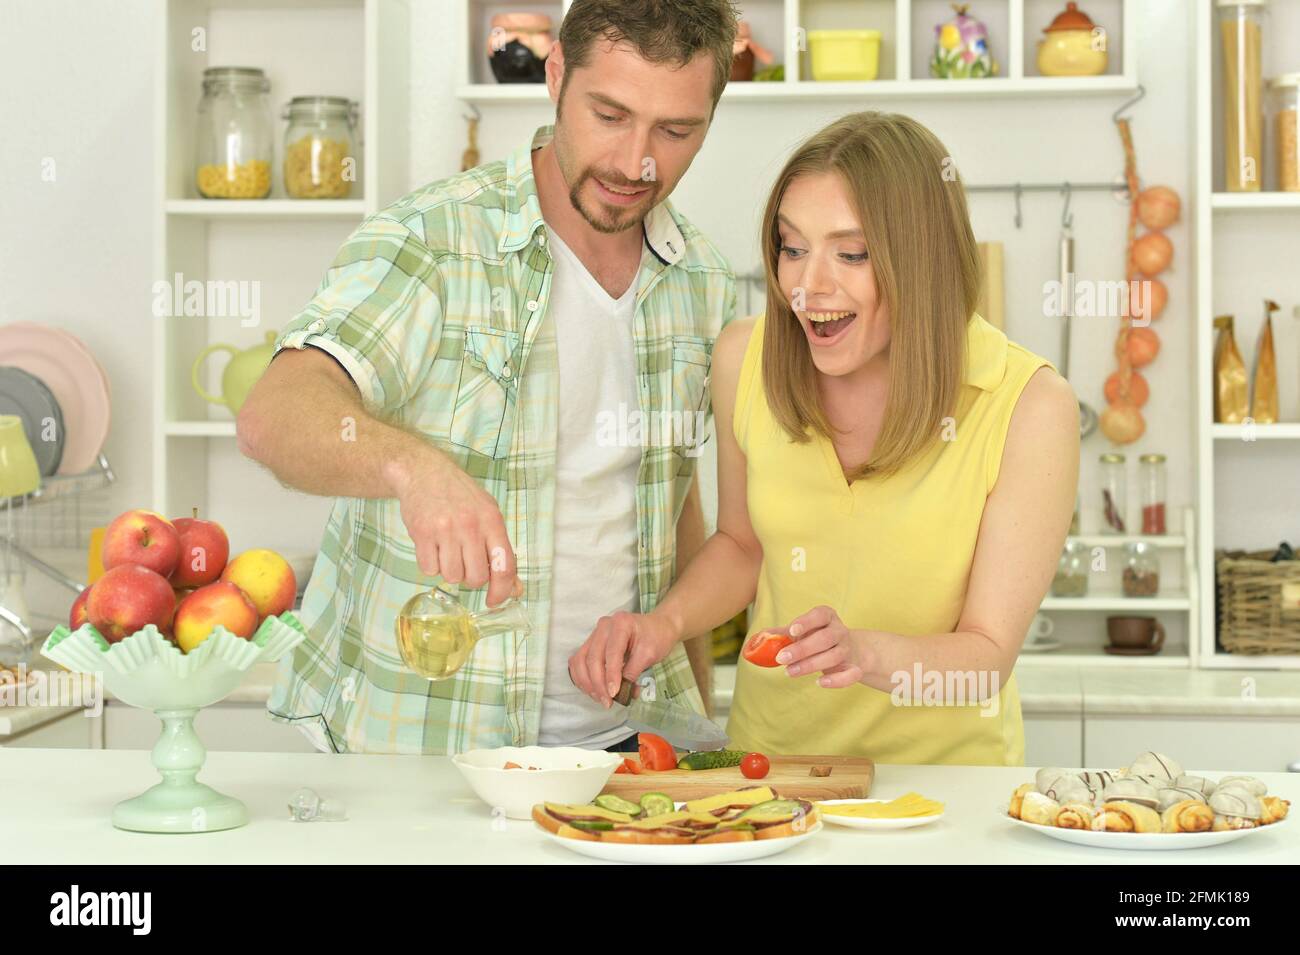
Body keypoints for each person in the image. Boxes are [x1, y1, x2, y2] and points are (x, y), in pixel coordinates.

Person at [236, 0, 739, 754]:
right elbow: (274, 415)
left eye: (675, 132)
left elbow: (677, 506)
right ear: (557, 75)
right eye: (609, 114)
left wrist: (697, 725)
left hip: (627, 749)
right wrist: (413, 468)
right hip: (423, 749)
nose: (638, 162)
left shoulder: (703, 280)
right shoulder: (430, 242)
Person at [568, 111, 1080, 765]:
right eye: (792, 247)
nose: (808, 288)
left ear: (921, 259)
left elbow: (986, 658)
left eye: (852, 253)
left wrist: (863, 653)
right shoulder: (745, 358)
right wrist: (660, 625)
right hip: (772, 771)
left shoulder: (1029, 405)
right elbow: (741, 546)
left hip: (944, 794)